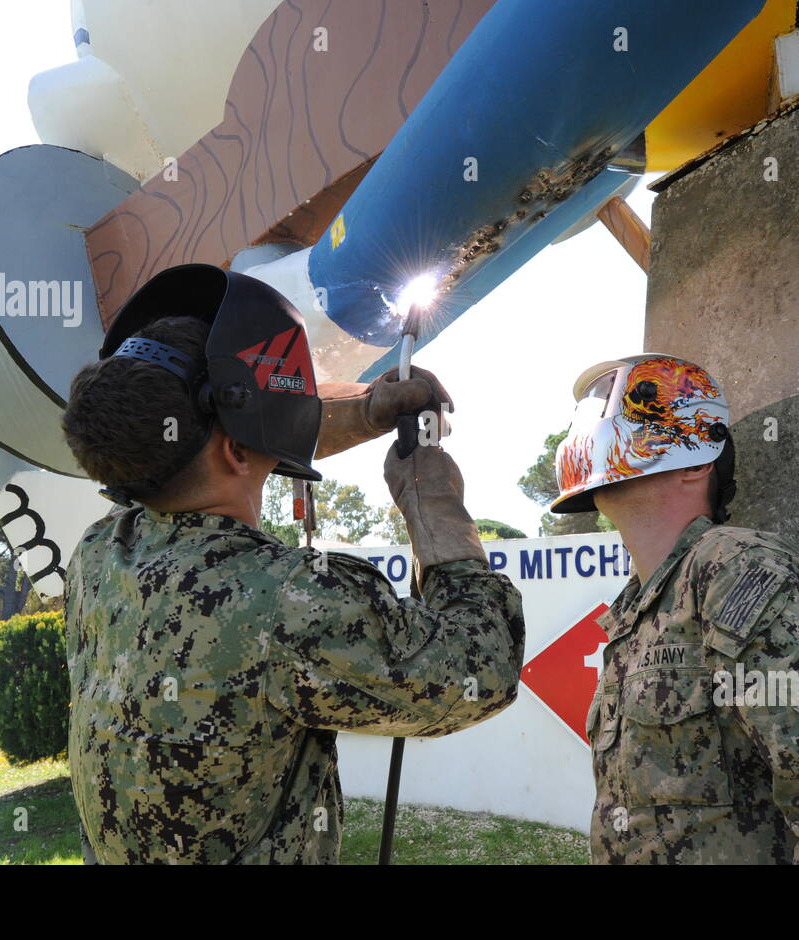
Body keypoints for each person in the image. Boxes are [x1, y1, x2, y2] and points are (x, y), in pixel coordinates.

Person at [59, 263, 525, 864]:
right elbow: (479, 669)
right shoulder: (285, 598)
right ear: (235, 445)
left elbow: (233, 443)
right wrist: (434, 506)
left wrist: (364, 411)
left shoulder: (100, 554)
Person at [550, 353, 799, 864]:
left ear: (700, 459)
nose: (596, 427)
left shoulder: (741, 572)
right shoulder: (639, 605)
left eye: (625, 413)